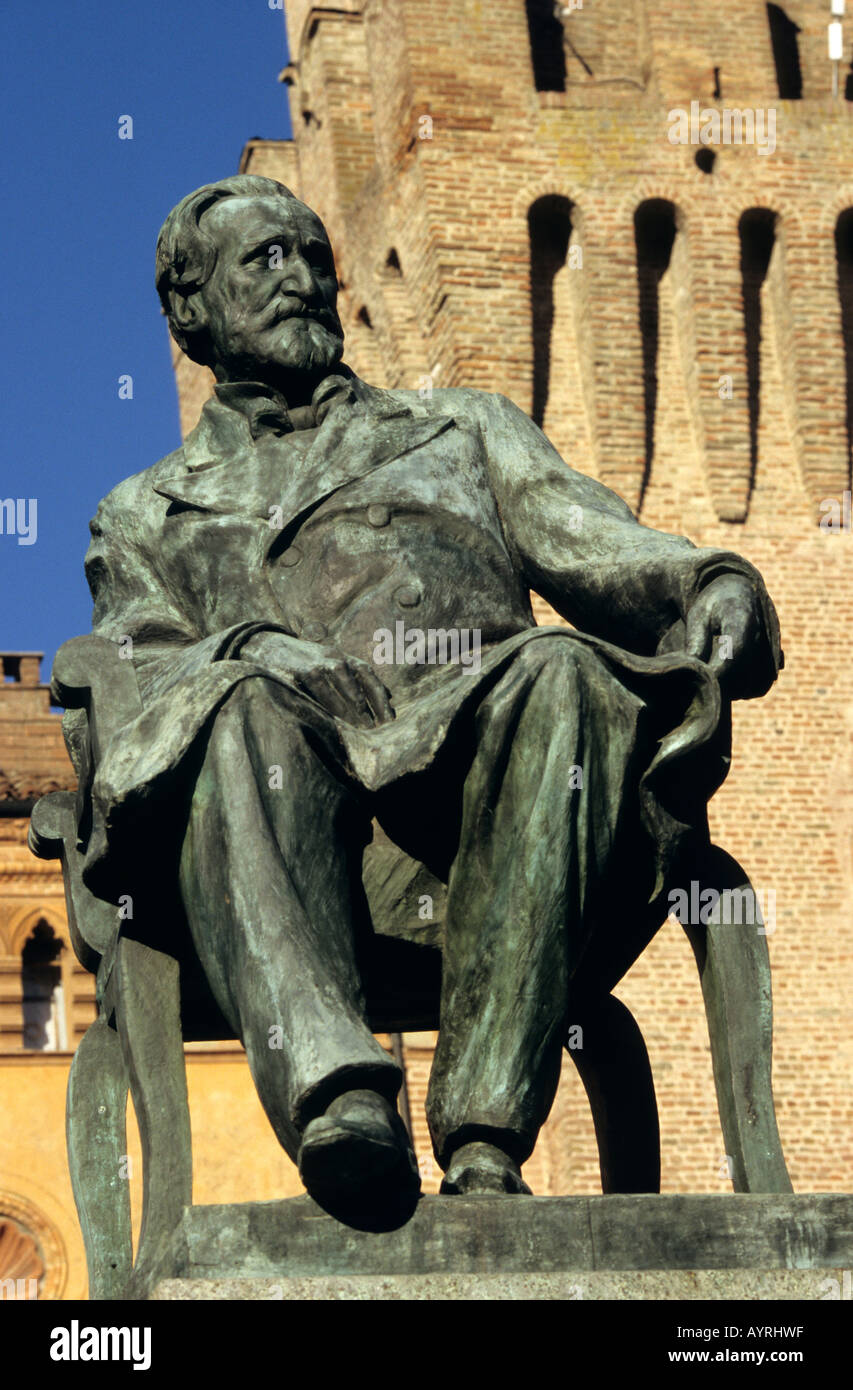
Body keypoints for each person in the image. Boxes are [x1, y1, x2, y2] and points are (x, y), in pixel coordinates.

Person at [82, 175, 781, 1203]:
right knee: (234, 706)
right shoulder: (143, 512)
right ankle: (339, 1098)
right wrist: (248, 647)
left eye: (314, 256)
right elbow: (132, 675)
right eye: (265, 260)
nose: (304, 278)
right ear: (192, 310)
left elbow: (603, 546)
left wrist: (713, 582)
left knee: (563, 668)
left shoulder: (459, 430)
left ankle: (485, 1137)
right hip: (287, 837)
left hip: (501, 811)